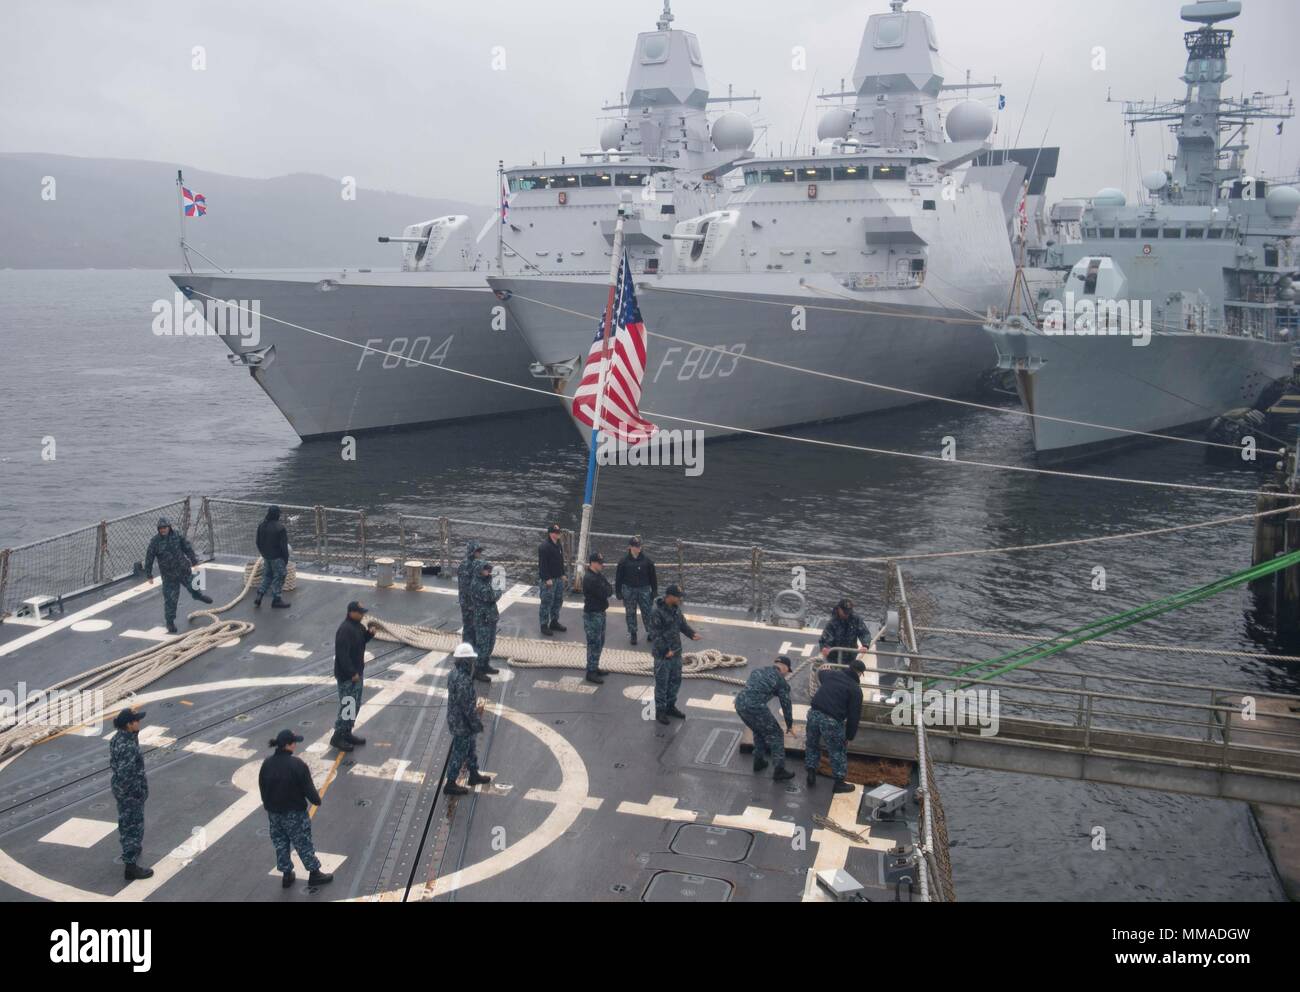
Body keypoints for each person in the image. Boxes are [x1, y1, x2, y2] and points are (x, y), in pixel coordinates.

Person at [258, 730, 333, 888]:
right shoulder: (297, 764)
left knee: (280, 843)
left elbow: (263, 788)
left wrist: (269, 806)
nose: (296, 745)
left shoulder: (267, 764)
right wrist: (316, 800)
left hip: (274, 813)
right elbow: (309, 790)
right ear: (288, 745)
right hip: (294, 813)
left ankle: (286, 875)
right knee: (302, 842)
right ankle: (314, 873)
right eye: (294, 742)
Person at [143, 517, 212, 634]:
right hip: (169, 576)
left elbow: (187, 548)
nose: (163, 530)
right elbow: (149, 558)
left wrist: (194, 561)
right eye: (160, 528)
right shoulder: (155, 542)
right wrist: (149, 574)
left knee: (196, 583)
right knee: (170, 600)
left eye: (165, 527)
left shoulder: (177, 536)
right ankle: (170, 622)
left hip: (183, 569)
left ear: (169, 527)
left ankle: (198, 596)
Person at [805, 659, 864, 794]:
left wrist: (825, 668)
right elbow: (854, 716)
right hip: (831, 720)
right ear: (860, 674)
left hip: (814, 714)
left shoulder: (831, 675)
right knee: (837, 751)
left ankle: (811, 774)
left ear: (849, 667)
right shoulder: (855, 690)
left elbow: (821, 674)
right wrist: (849, 736)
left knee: (812, 744)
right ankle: (839, 783)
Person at [734, 656, 796, 782]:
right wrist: (789, 725)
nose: (786, 674)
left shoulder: (758, 670)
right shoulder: (781, 681)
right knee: (776, 734)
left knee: (759, 730)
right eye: (787, 671)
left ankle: (759, 761)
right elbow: (786, 705)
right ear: (784, 667)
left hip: (739, 703)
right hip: (755, 707)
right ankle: (779, 770)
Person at [647, 584, 702, 725]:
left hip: (676, 653)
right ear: (669, 596)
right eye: (678, 597)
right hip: (663, 656)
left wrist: (691, 634)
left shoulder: (675, 610)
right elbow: (655, 634)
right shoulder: (656, 612)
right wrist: (666, 650)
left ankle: (670, 706)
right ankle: (660, 711)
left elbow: (682, 625)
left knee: (675, 681)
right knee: (662, 683)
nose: (680, 600)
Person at [109, 708, 153, 881]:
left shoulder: (118, 738)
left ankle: (132, 849)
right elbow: (127, 774)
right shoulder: (127, 746)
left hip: (121, 790)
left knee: (126, 822)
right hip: (130, 793)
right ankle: (131, 865)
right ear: (129, 724)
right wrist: (138, 793)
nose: (139, 722)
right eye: (136, 721)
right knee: (133, 826)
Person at [445, 644, 493, 796]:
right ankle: (450, 783)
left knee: (470, 747)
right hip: (462, 723)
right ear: (465, 660)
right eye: (471, 659)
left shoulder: (454, 673)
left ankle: (473, 774)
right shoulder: (463, 680)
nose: (473, 662)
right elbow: (467, 708)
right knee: (459, 752)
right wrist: (476, 723)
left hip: (456, 718)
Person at [331, 601, 376, 752]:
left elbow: (361, 640)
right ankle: (337, 737)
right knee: (347, 705)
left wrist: (369, 634)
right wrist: (352, 673)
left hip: (357, 674)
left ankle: (347, 732)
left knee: (354, 705)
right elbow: (342, 656)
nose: (362, 614)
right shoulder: (345, 630)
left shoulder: (357, 626)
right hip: (348, 677)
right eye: (360, 612)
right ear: (351, 612)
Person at [615, 538, 657, 645]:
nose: (638, 547)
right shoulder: (623, 561)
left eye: (639, 545)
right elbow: (618, 578)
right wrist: (618, 592)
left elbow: (653, 577)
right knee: (630, 613)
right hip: (629, 590)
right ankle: (633, 633)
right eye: (636, 546)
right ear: (630, 547)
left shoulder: (647, 561)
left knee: (647, 612)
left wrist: (654, 591)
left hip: (644, 589)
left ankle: (651, 632)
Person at [581, 552, 613, 685]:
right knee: (594, 643)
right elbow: (604, 593)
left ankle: (594, 666)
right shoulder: (590, 578)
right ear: (592, 563)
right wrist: (606, 589)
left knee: (600, 642)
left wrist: (606, 589)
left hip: (600, 613)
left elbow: (610, 590)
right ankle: (591, 672)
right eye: (599, 563)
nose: (602, 565)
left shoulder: (598, 576)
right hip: (593, 614)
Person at [253, 505, 291, 609]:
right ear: (277, 514)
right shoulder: (280, 528)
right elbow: (284, 547)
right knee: (279, 576)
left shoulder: (261, 525)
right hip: (277, 557)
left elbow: (257, 542)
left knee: (267, 576)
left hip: (266, 556)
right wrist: (285, 560)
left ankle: (260, 594)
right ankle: (276, 600)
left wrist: (263, 553)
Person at [470, 560, 502, 684]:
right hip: (482, 619)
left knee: (490, 643)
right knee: (482, 646)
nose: (488, 571)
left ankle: (485, 665)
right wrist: (498, 591)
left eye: (488, 569)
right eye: (485, 569)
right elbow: (492, 596)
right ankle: (478, 670)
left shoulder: (487, 580)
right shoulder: (477, 584)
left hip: (491, 617)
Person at [819, 598, 872, 665]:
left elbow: (864, 633)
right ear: (839, 609)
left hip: (850, 656)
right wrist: (825, 648)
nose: (847, 614)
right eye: (844, 612)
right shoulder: (832, 623)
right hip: (834, 658)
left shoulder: (856, 620)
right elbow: (825, 638)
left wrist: (865, 645)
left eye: (848, 612)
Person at [537, 524, 567, 636]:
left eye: (559, 532)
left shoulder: (558, 545)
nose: (558, 534)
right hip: (549, 580)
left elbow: (560, 561)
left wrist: (562, 573)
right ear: (551, 533)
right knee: (546, 602)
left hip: (558, 578)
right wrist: (547, 578)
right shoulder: (544, 547)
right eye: (556, 532)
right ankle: (544, 625)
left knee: (558, 600)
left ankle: (554, 621)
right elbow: (542, 565)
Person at [456, 541, 486, 649]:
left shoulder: (470, 564)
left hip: (469, 601)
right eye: (478, 551)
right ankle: (468, 649)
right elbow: (466, 587)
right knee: (469, 626)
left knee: (472, 626)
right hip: (469, 602)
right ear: (472, 552)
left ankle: (470, 646)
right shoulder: (468, 566)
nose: (480, 553)